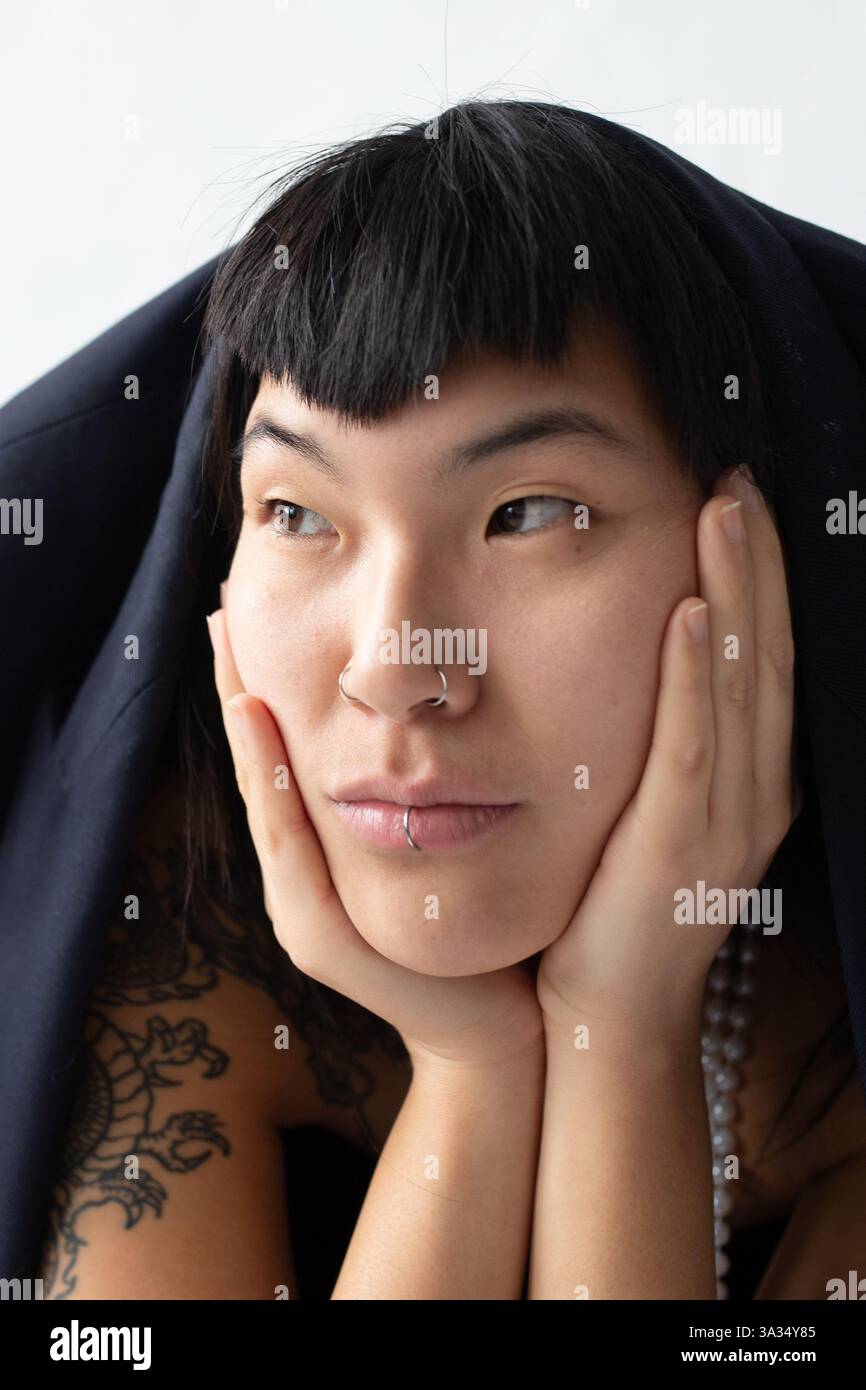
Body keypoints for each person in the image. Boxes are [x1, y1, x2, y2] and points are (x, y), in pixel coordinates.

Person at [10, 99, 866, 1301]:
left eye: (526, 514)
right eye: (296, 513)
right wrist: (471, 1070)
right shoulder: (171, 921)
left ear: (759, 557)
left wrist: (619, 1034)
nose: (392, 664)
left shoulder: (830, 1052)